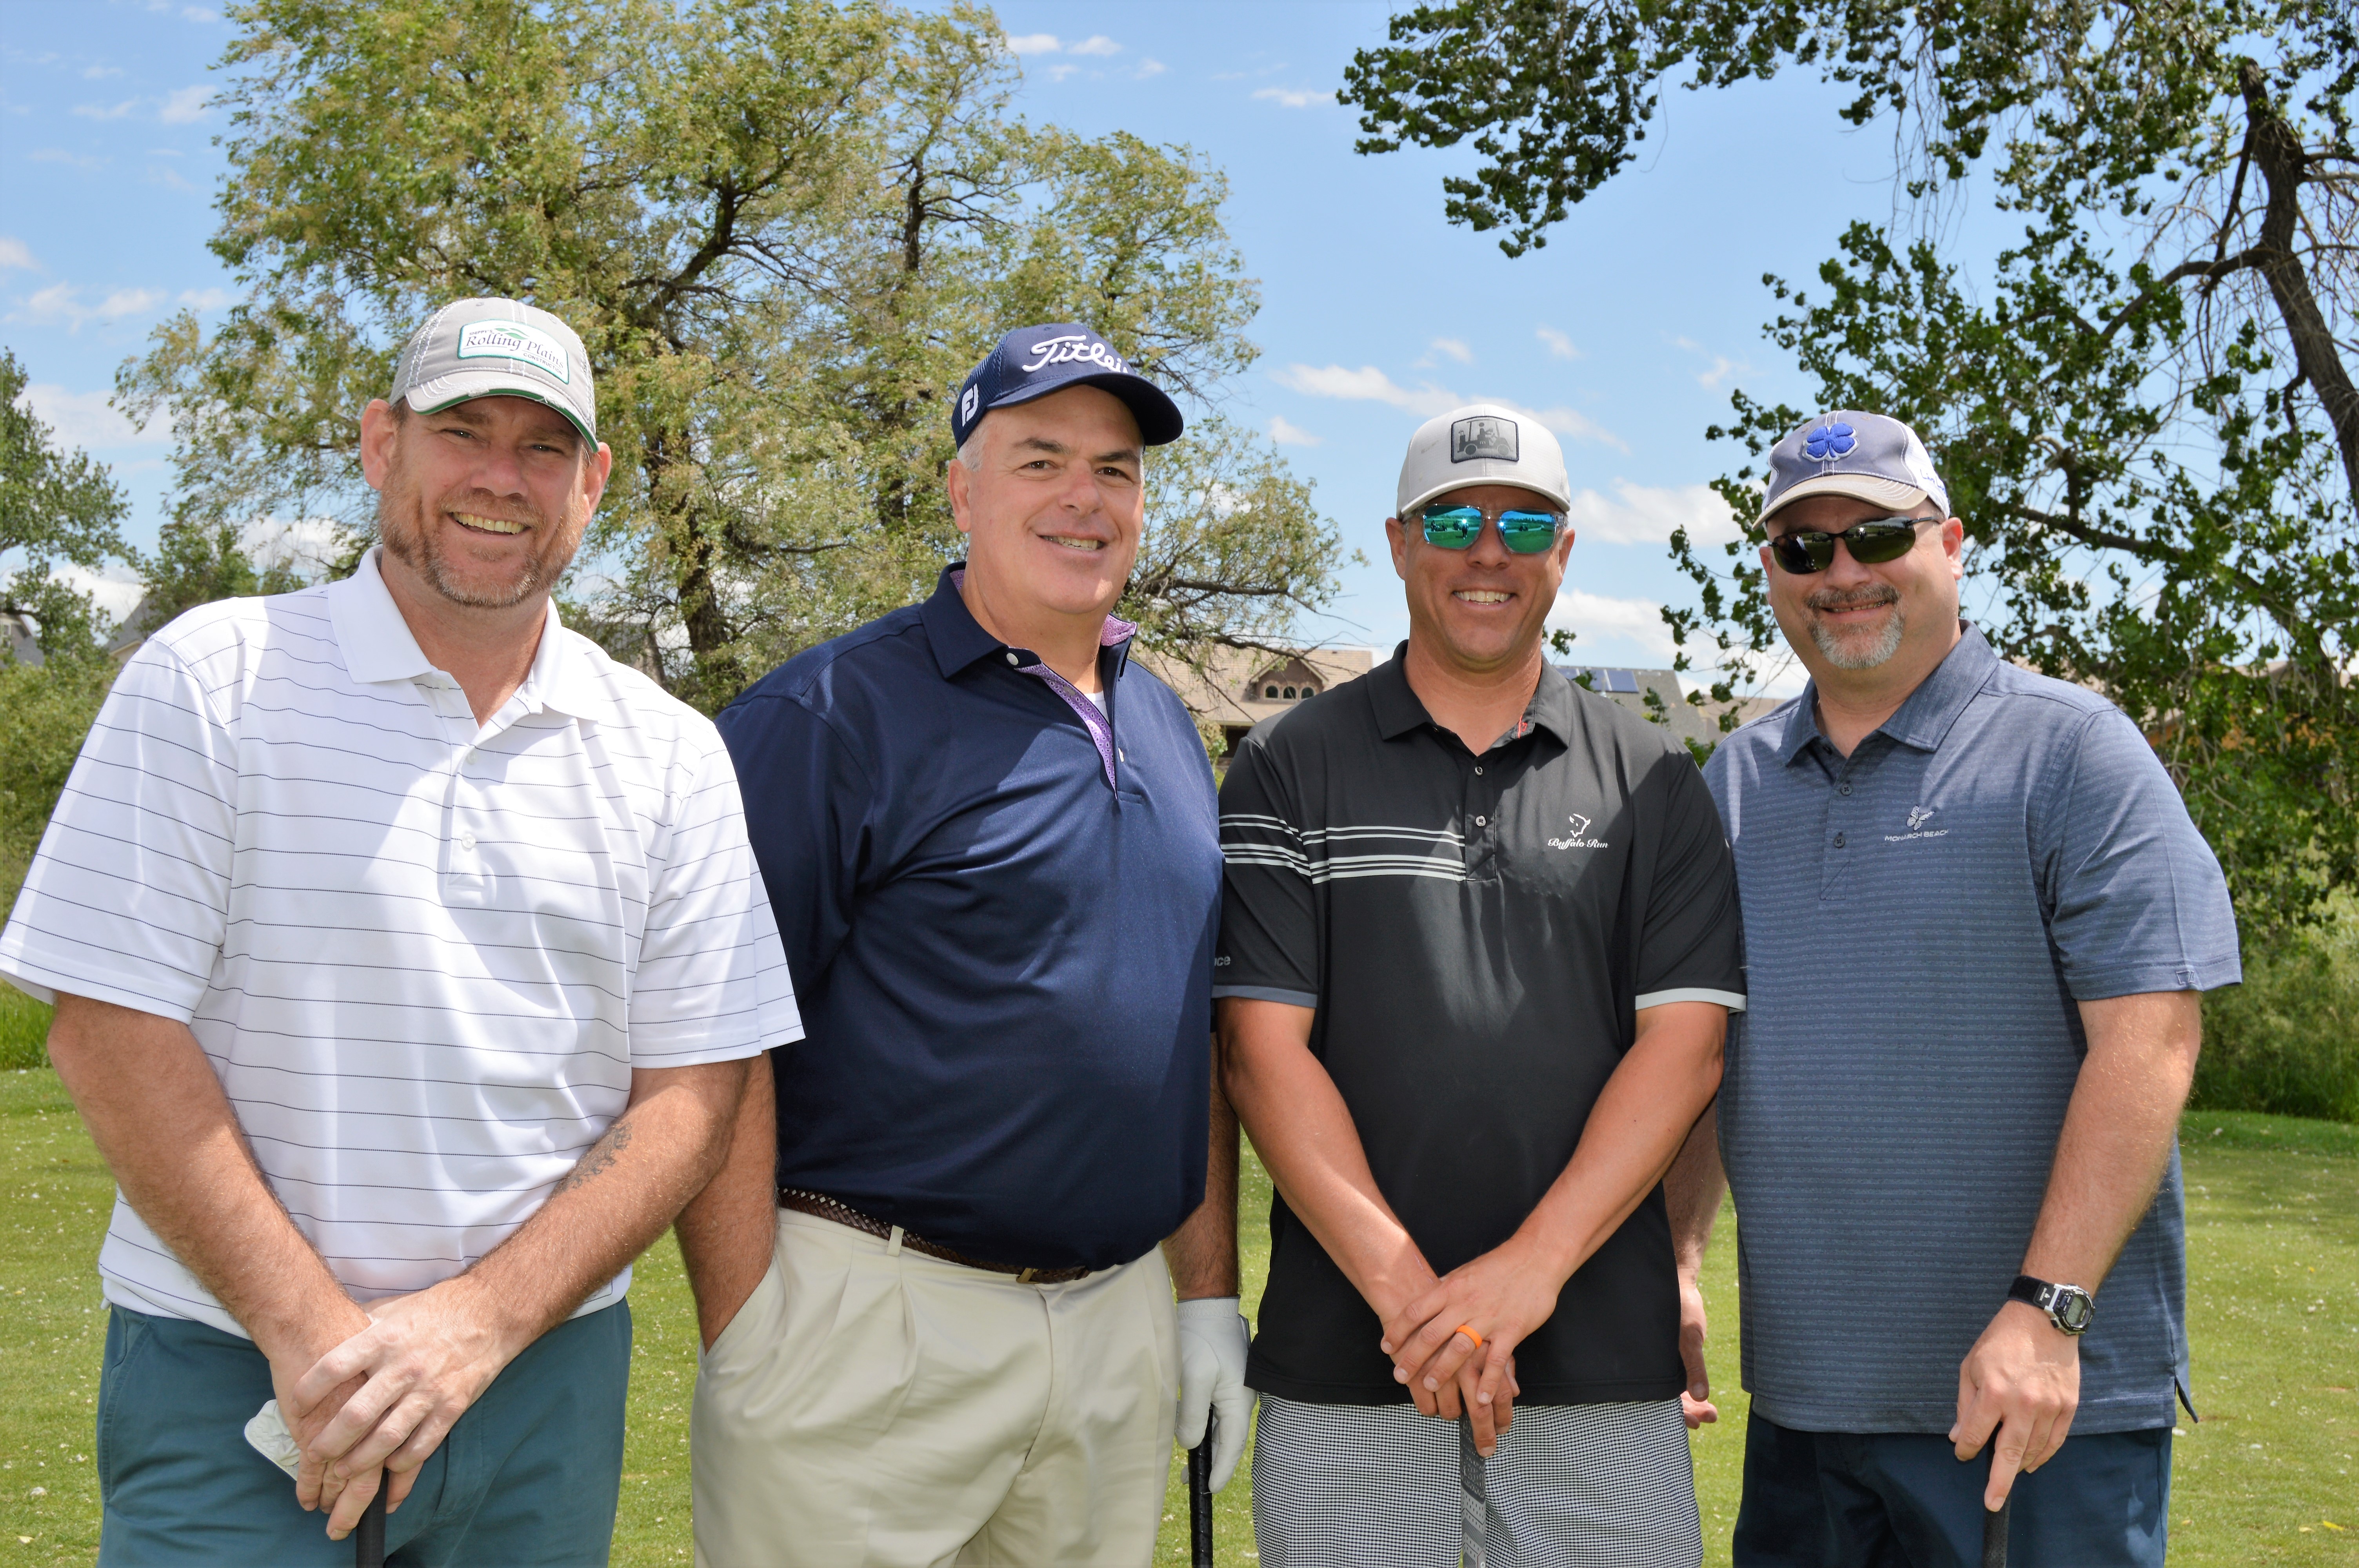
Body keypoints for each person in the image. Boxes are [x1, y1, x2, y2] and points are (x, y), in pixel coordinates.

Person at [0, 296, 797, 1564]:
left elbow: (697, 1090)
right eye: (461, 432)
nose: (501, 479)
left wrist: (478, 1324)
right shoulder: (215, 677)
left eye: (544, 449)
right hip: (234, 1374)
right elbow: (107, 1027)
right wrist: (313, 1331)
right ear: (382, 445)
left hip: (542, 1383)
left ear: (592, 484)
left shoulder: (669, 751)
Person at [687, 322, 1249, 1567]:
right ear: (963, 489)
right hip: (871, 1325)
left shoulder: (1164, 722)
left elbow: (1184, 1034)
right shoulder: (826, 716)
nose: (1083, 498)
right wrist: (748, 1330)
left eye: (1116, 468)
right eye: (1040, 458)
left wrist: (1206, 1294)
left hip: (1112, 1329)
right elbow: (709, 1036)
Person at [1678, 410, 2241, 1565]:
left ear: (1952, 545)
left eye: (1879, 538)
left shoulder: (2075, 750)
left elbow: (2152, 1043)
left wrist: (2049, 1313)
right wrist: (1678, 1259)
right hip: (1805, 1410)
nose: (1842, 575)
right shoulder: (1732, 782)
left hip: (2033, 1410)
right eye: (1803, 548)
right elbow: (1704, 1052)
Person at [1217, 403, 1745, 1568]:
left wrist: (1524, 1278)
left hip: (1601, 1362)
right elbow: (1263, 1052)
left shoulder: (1656, 779)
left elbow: (1687, 1051)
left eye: (1525, 523)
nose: (1487, 550)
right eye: (1453, 518)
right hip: (1349, 1363)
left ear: (1566, 552)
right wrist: (1424, 1307)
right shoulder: (1286, 763)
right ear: (1401, 543)